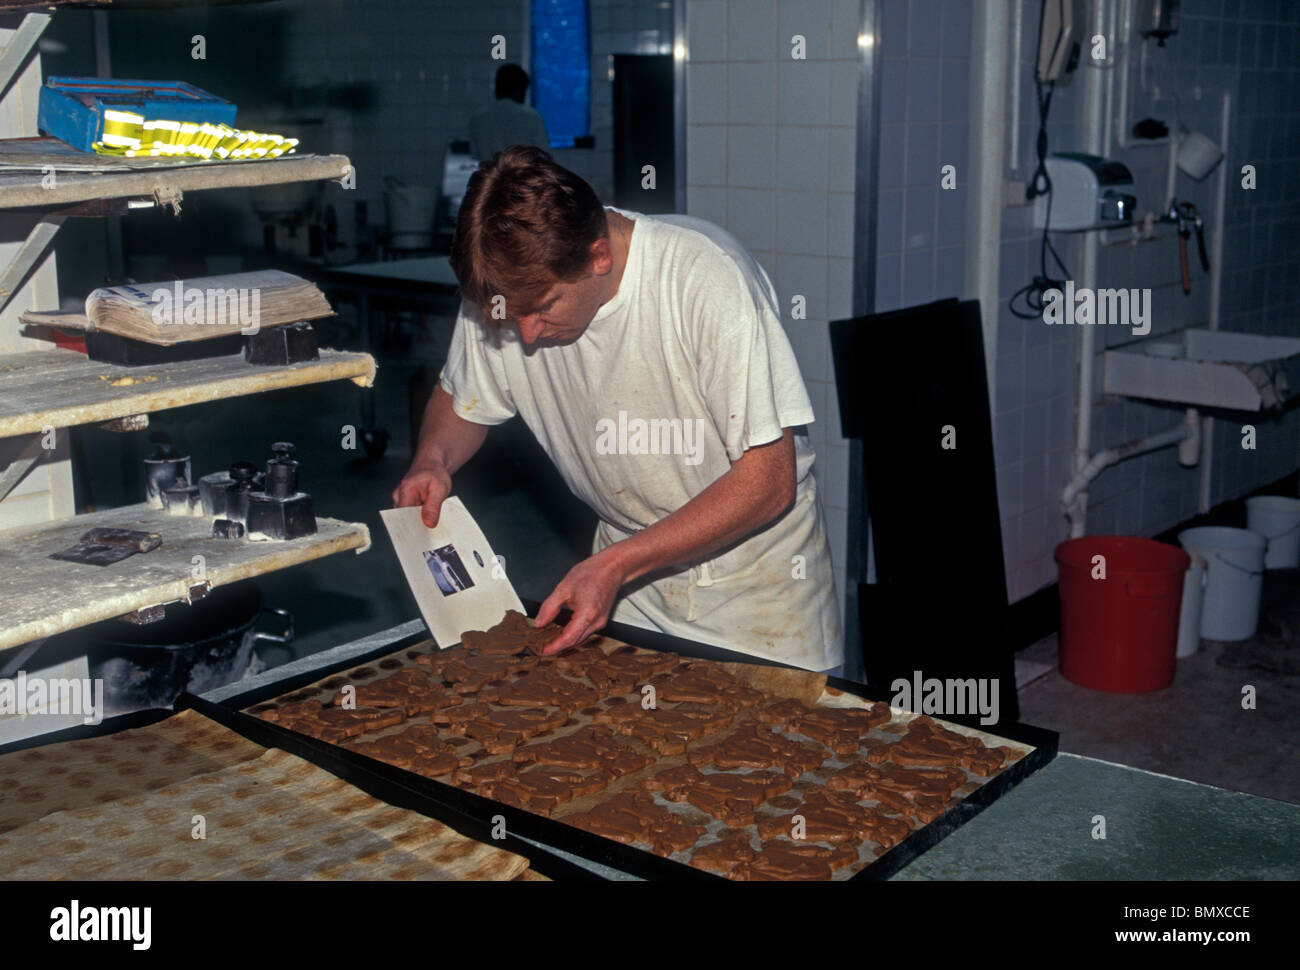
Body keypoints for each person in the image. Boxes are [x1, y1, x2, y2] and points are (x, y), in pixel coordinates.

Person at [392, 146, 843, 674]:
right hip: (628, 578)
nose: (526, 335)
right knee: (632, 747)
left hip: (755, 588)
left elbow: (769, 482)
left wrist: (616, 564)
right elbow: (462, 397)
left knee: (765, 752)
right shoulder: (507, 294)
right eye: (510, 318)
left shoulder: (704, 279)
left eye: (543, 309)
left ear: (598, 255)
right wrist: (432, 458)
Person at [467, 64, 550, 162]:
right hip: (523, 176)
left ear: (497, 88)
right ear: (521, 89)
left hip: (490, 175)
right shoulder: (532, 117)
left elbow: (475, 155)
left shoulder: (478, 118)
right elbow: (544, 157)